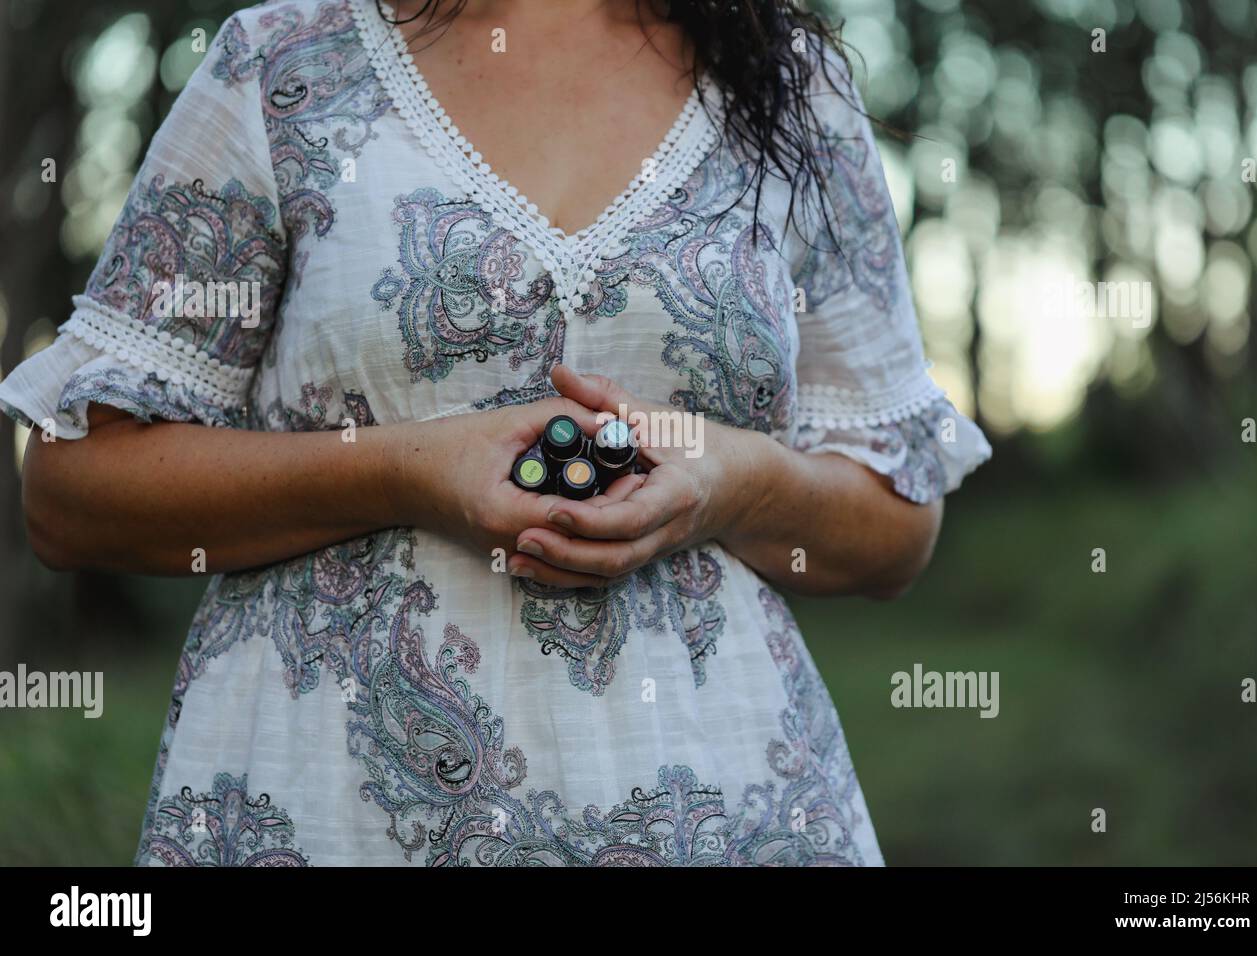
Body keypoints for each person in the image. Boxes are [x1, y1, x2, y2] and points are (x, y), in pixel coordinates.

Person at [0, 0, 990, 866]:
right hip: (330, 812)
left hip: (731, 809)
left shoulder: (793, 90)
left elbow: (894, 528)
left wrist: (738, 480)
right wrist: (401, 471)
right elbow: (74, 492)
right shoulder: (282, 66)